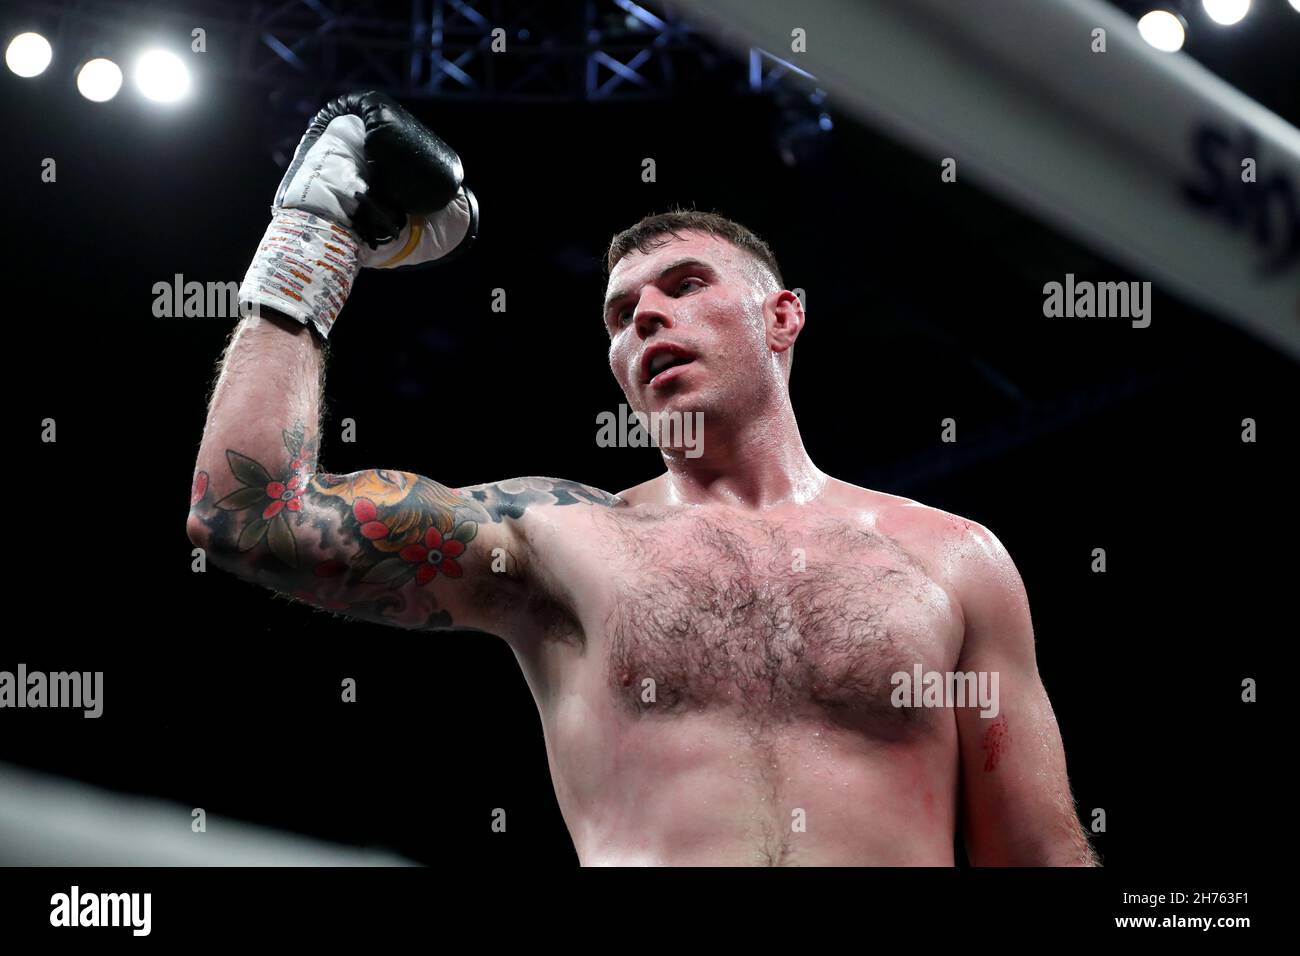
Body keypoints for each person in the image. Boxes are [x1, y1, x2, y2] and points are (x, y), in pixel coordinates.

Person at [187, 92, 1097, 866]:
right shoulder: (560, 537)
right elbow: (248, 517)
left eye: (685, 285)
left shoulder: (952, 557)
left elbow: (1040, 854)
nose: (647, 318)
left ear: (783, 317)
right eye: (622, 315)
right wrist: (311, 242)